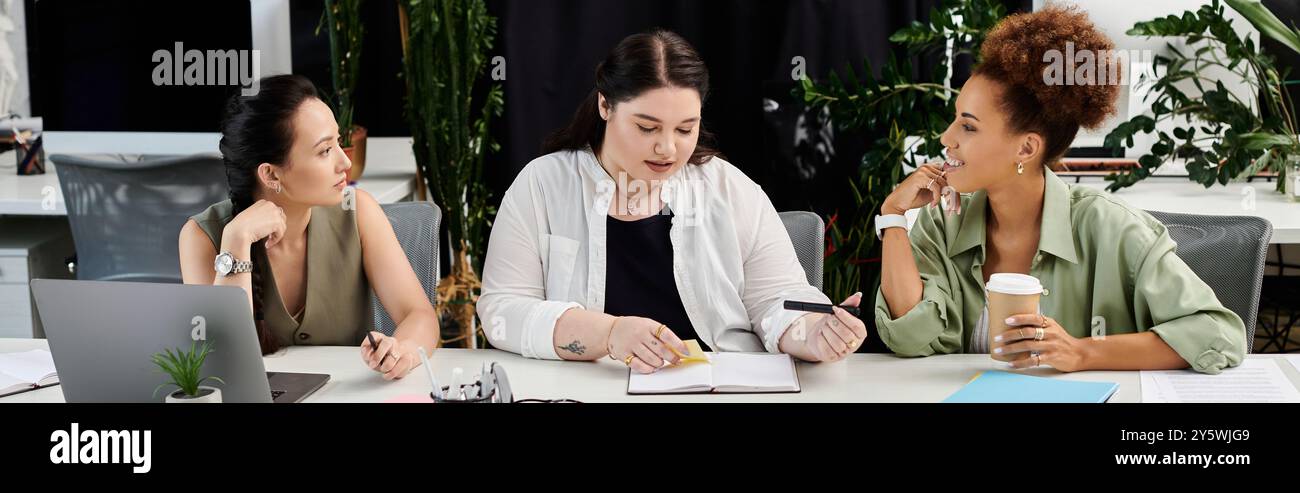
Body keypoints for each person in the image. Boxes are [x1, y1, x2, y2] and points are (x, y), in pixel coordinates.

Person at [874, 6, 1245, 374]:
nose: (946, 138)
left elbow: (1217, 333)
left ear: (1026, 148)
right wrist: (893, 215)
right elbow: (910, 336)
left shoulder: (1111, 228)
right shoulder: (943, 223)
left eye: (968, 127)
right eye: (955, 119)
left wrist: (1083, 353)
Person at [478, 29, 867, 373]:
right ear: (605, 106)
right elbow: (501, 312)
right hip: (592, 388)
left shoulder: (727, 188)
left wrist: (814, 335)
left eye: (686, 129)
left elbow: (776, 300)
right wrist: (609, 333)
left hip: (719, 387)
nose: (667, 148)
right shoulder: (543, 185)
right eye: (646, 127)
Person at [178, 74, 439, 380]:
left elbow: (419, 315)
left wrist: (402, 351)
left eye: (338, 143)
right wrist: (236, 241)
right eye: (324, 151)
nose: (344, 163)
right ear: (271, 175)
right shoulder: (203, 237)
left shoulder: (359, 212)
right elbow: (220, 363)